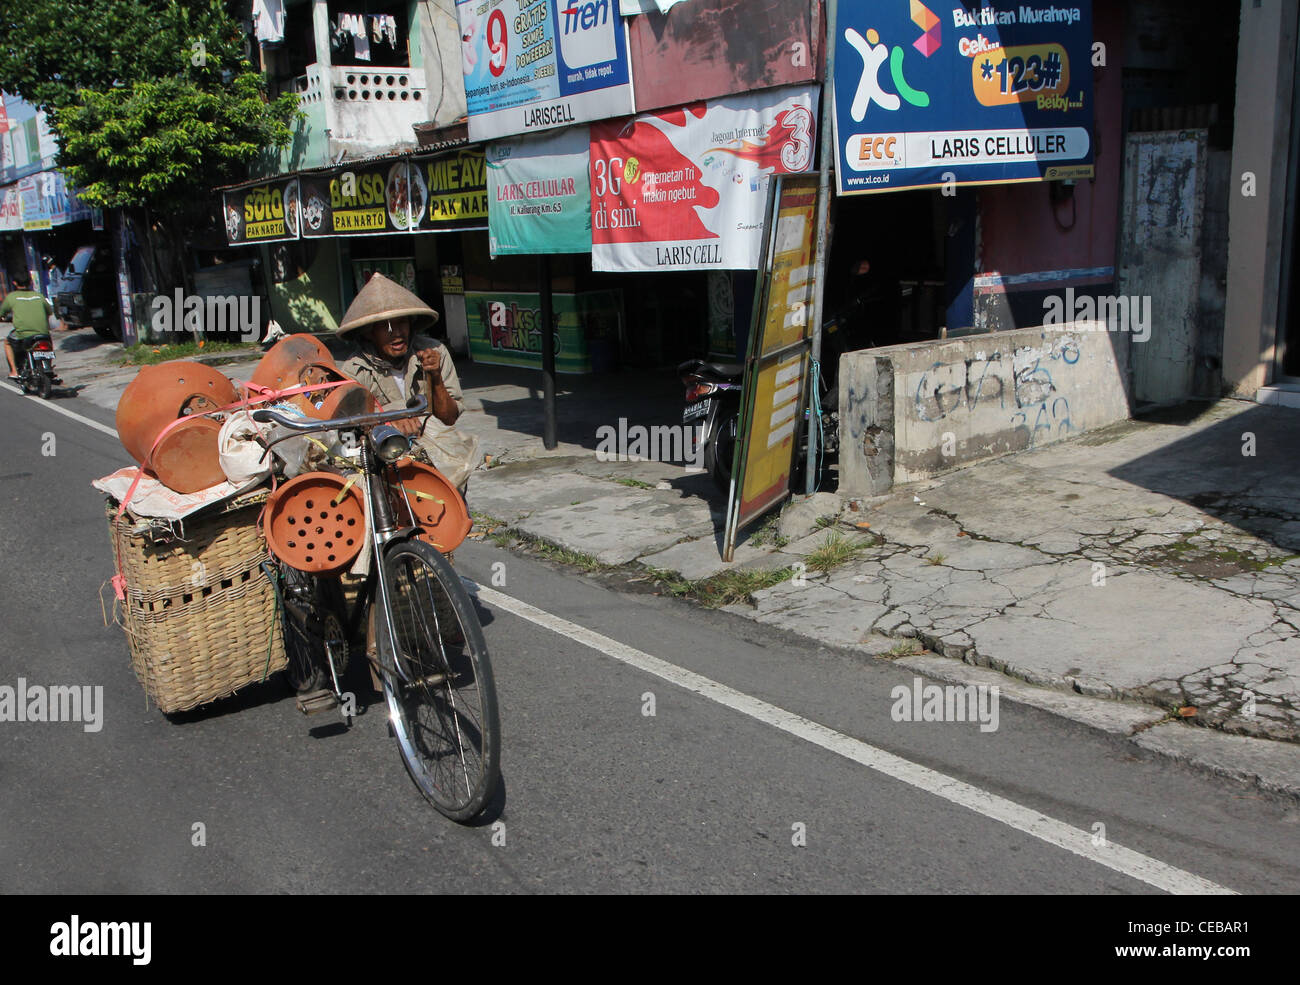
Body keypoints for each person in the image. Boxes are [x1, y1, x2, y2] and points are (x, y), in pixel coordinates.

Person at [336, 272, 482, 492]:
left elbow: (449, 417)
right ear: (368, 333)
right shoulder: (355, 369)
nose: (396, 333)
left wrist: (435, 375)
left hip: (437, 455)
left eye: (402, 322)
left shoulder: (435, 352)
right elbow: (348, 430)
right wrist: (387, 422)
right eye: (385, 326)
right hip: (386, 457)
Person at [1, 270, 65, 379]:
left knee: (7, 342)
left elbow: (2, 313)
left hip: (23, 334)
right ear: (30, 282)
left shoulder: (12, 297)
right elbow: (49, 312)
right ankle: (47, 366)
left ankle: (13, 371)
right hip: (43, 332)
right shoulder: (39, 296)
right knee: (47, 344)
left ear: (14, 283)